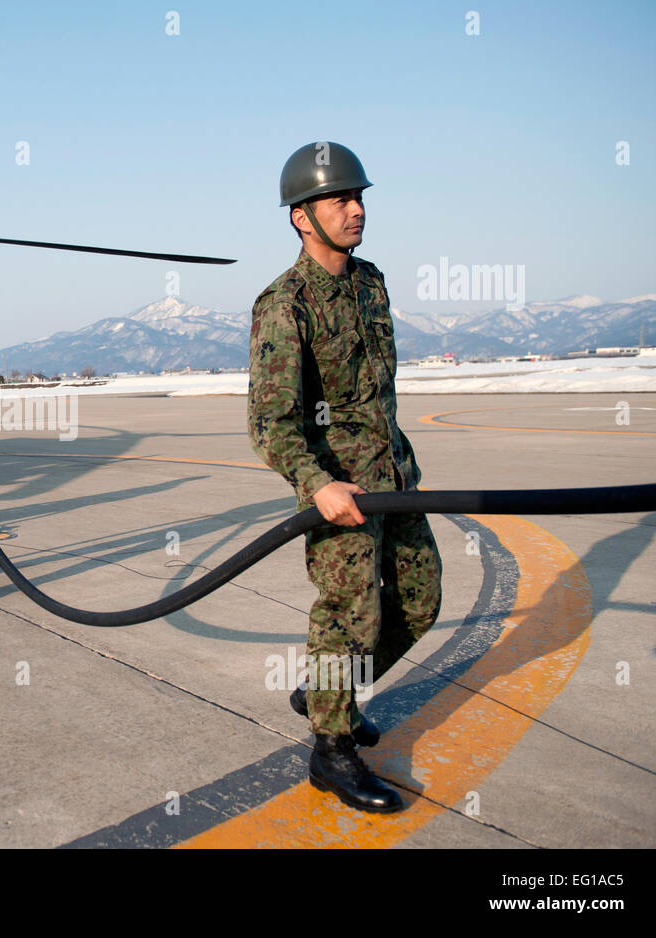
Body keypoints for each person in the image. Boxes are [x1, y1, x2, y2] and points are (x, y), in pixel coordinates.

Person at [246, 142, 443, 814]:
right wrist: (316, 484)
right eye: (340, 199)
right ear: (302, 216)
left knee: (419, 604)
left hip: (396, 477)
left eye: (359, 198)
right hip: (341, 493)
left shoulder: (371, 282)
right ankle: (331, 751)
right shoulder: (284, 303)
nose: (356, 210)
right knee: (349, 618)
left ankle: (328, 693)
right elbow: (271, 424)